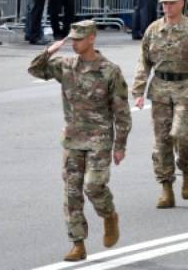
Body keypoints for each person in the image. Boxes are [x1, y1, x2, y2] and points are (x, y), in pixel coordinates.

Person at [27, 20, 132, 262]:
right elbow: (35, 70)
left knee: (93, 186)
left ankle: (109, 215)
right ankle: (78, 244)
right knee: (72, 193)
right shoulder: (66, 65)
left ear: (92, 38)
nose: (74, 43)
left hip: (99, 139)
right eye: (72, 39)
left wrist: (120, 146)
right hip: (73, 139)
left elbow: (121, 112)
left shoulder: (109, 70)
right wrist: (48, 52)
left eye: (79, 39)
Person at [131, 0, 188, 208]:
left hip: (186, 87)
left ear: (181, 3)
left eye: (171, 3)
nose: (167, 7)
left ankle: (187, 168)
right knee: (162, 141)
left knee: (179, 133)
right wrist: (138, 91)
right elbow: (144, 62)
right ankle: (166, 188)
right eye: (164, 3)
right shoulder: (154, 29)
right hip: (160, 88)